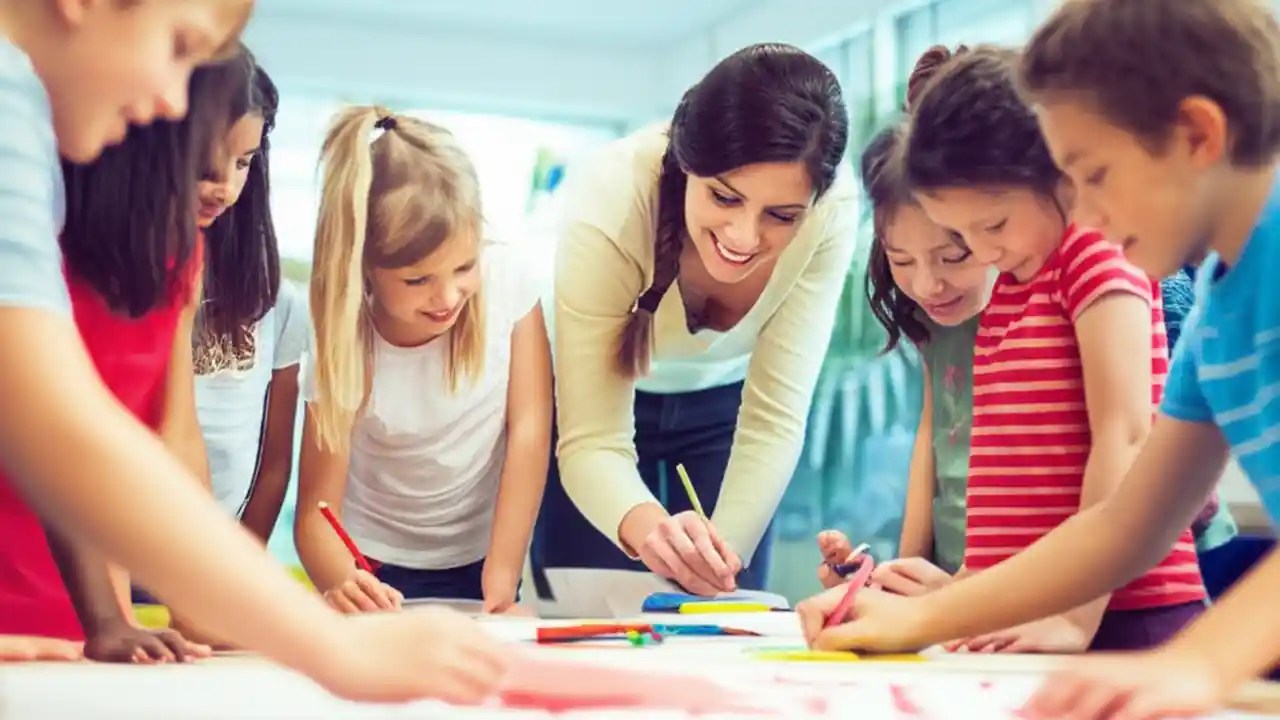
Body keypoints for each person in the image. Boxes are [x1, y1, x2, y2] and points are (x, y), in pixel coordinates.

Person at [0, 0, 507, 702]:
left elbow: (103, 449)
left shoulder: (48, 148)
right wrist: (331, 649)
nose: (174, 101)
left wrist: (131, 614)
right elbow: (57, 431)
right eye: (180, 46)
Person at [797, 0, 1280, 715]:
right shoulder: (1217, 309)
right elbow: (1125, 526)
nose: (1078, 214)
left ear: (1196, 136)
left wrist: (1201, 662)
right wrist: (916, 618)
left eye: (1092, 174)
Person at [531, 43, 859, 602]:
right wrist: (650, 531)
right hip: (591, 396)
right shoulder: (612, 190)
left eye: (781, 216)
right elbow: (593, 441)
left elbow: (774, 421)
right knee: (585, 613)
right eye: (724, 197)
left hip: (722, 405)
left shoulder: (831, 209)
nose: (744, 237)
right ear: (687, 166)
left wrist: (716, 562)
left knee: (724, 605)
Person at [294, 108, 552, 616]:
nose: (448, 295)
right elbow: (315, 514)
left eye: (464, 266)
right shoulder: (341, 334)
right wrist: (344, 583)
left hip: (483, 556)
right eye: (417, 280)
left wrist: (503, 572)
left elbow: (530, 427)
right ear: (364, 268)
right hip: (369, 562)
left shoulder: (509, 279)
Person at [191, 51, 306, 543]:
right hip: (108, 548)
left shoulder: (279, 303)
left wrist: (242, 560)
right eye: (208, 160)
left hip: (213, 557)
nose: (225, 185)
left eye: (243, 163)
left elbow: (273, 460)